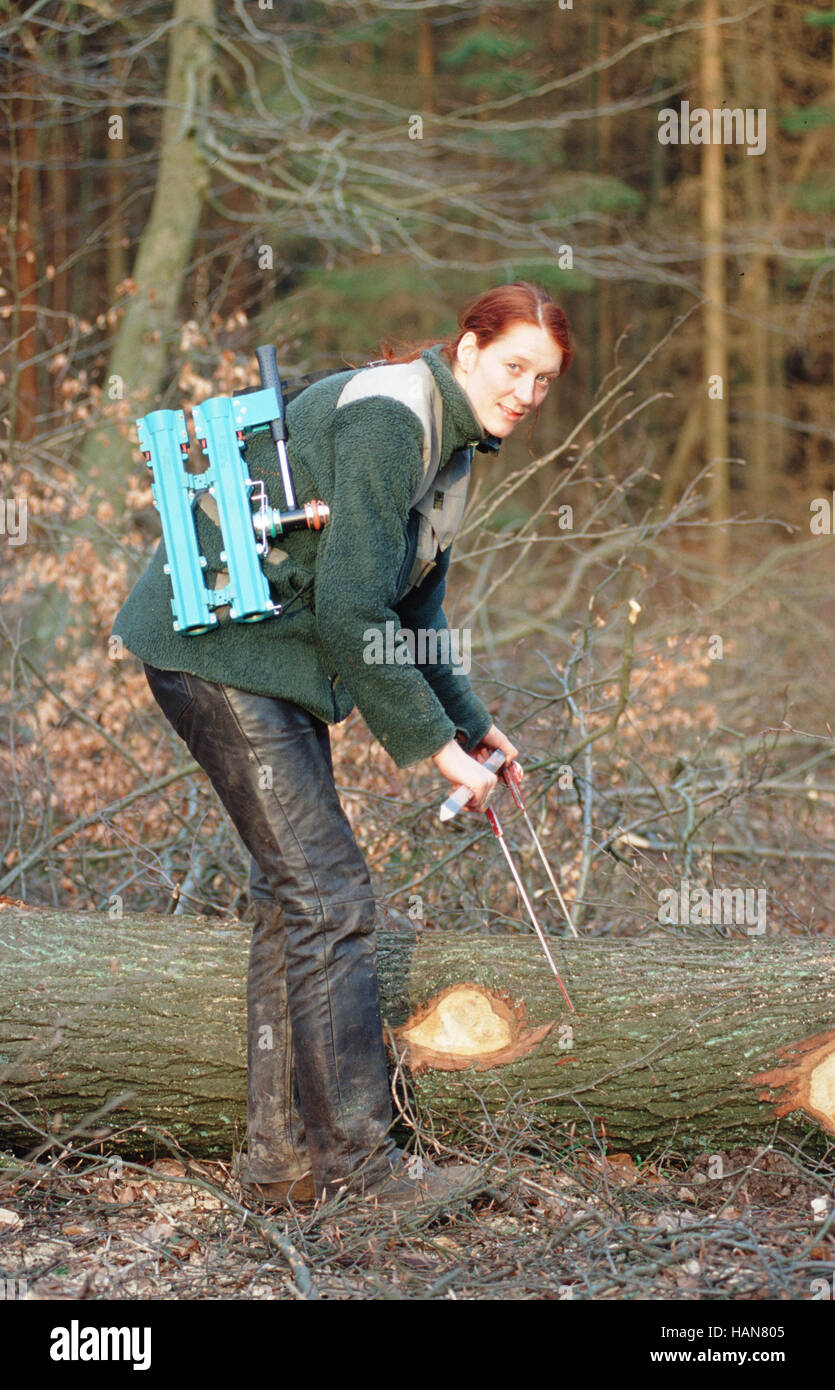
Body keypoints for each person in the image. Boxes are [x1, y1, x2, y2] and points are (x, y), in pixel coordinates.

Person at [111, 280, 572, 1211]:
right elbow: (353, 610)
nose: (526, 392)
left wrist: (470, 720)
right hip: (220, 654)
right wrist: (434, 750)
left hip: (272, 659)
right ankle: (360, 1177)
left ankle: (280, 1160)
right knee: (331, 895)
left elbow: (411, 606)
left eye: (545, 380)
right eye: (513, 367)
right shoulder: (391, 423)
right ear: (468, 350)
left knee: (297, 897)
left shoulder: (452, 447)